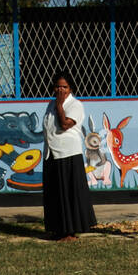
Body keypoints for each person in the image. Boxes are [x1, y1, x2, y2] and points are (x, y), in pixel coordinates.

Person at [41, 72, 96, 242]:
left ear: (70, 88)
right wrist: (56, 104)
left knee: (68, 192)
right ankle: (58, 228)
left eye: (64, 87)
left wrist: (59, 105)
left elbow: (65, 124)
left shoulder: (75, 105)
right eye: (58, 86)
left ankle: (70, 231)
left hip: (68, 153)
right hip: (51, 152)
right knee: (55, 192)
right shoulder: (51, 104)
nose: (60, 90)